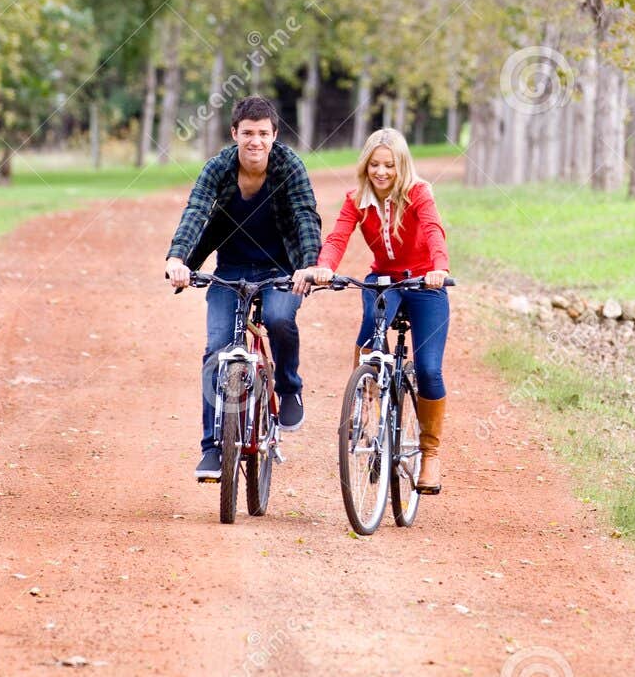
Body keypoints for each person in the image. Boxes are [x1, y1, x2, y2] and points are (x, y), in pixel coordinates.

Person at [165, 96, 321, 480]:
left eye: (263, 133)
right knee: (216, 350)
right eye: (248, 133)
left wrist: (308, 265)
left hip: (280, 270)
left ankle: (288, 387)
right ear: (234, 133)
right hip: (230, 271)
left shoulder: (289, 166)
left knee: (279, 318)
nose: (256, 141)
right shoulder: (219, 168)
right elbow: (196, 210)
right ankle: (212, 449)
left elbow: (305, 216)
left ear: (274, 135)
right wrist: (178, 258)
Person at [297, 129, 452, 494]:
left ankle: (430, 453)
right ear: (365, 165)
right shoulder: (356, 200)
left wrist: (439, 268)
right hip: (384, 280)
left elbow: (434, 230)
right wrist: (324, 266)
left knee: (429, 368)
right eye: (374, 165)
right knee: (372, 324)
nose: (381, 172)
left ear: (402, 166)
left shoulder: (418, 193)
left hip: (424, 283)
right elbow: (337, 238)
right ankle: (364, 396)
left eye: (389, 165)